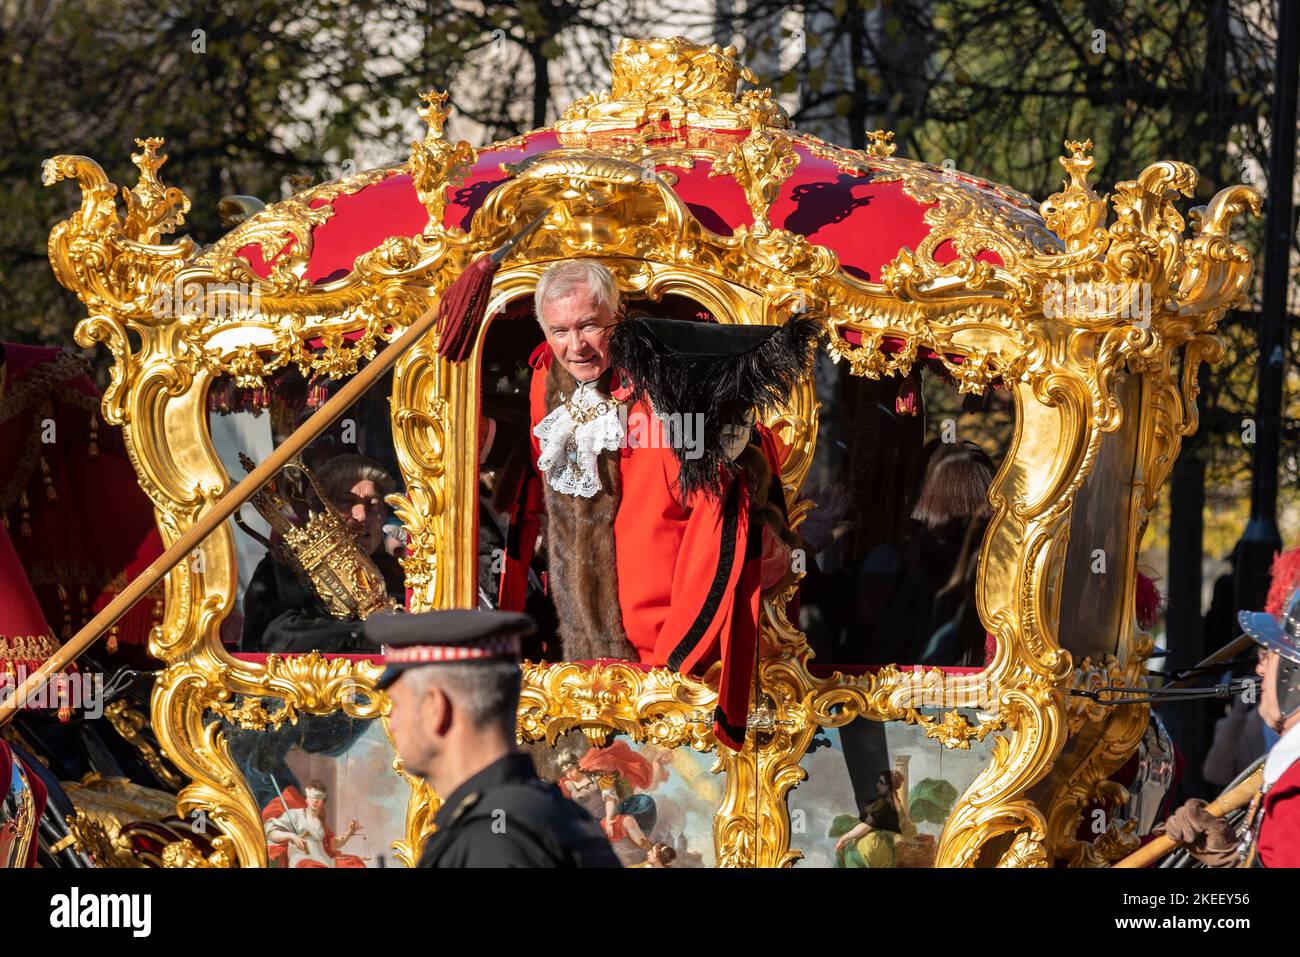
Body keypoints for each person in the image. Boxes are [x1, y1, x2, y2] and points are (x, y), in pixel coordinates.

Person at [497, 259, 823, 748]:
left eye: (589, 325)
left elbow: (716, 519)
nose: (576, 345)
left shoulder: (669, 390)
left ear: (618, 317)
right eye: (560, 330)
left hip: (674, 666)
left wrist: (677, 661)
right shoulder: (546, 386)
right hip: (580, 667)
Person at [366, 608, 621, 868]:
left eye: (397, 704)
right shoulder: (544, 811)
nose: (393, 722)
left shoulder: (493, 837)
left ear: (435, 707)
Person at [1157, 583, 1300, 867]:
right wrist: (1233, 856)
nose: (1260, 669)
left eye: (1268, 656)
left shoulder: (1293, 790)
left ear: (1292, 673)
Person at [241, 454, 405, 653]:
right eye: (347, 502)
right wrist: (367, 639)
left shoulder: (398, 573)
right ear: (324, 511)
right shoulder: (285, 571)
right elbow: (278, 636)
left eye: (373, 505)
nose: (361, 515)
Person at [262, 780, 365, 868]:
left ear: (323, 801)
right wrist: (291, 836)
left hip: (323, 860)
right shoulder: (295, 815)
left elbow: (332, 845)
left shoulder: (321, 822)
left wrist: (349, 832)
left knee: (356, 864)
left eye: (319, 797)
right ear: (306, 799)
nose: (315, 800)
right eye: (312, 796)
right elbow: (271, 833)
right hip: (302, 861)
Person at [833, 770, 903, 868]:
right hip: (889, 852)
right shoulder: (898, 804)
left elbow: (866, 826)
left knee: (847, 850)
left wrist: (843, 839)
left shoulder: (882, 803)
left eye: (881, 783)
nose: (877, 785)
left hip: (874, 845)